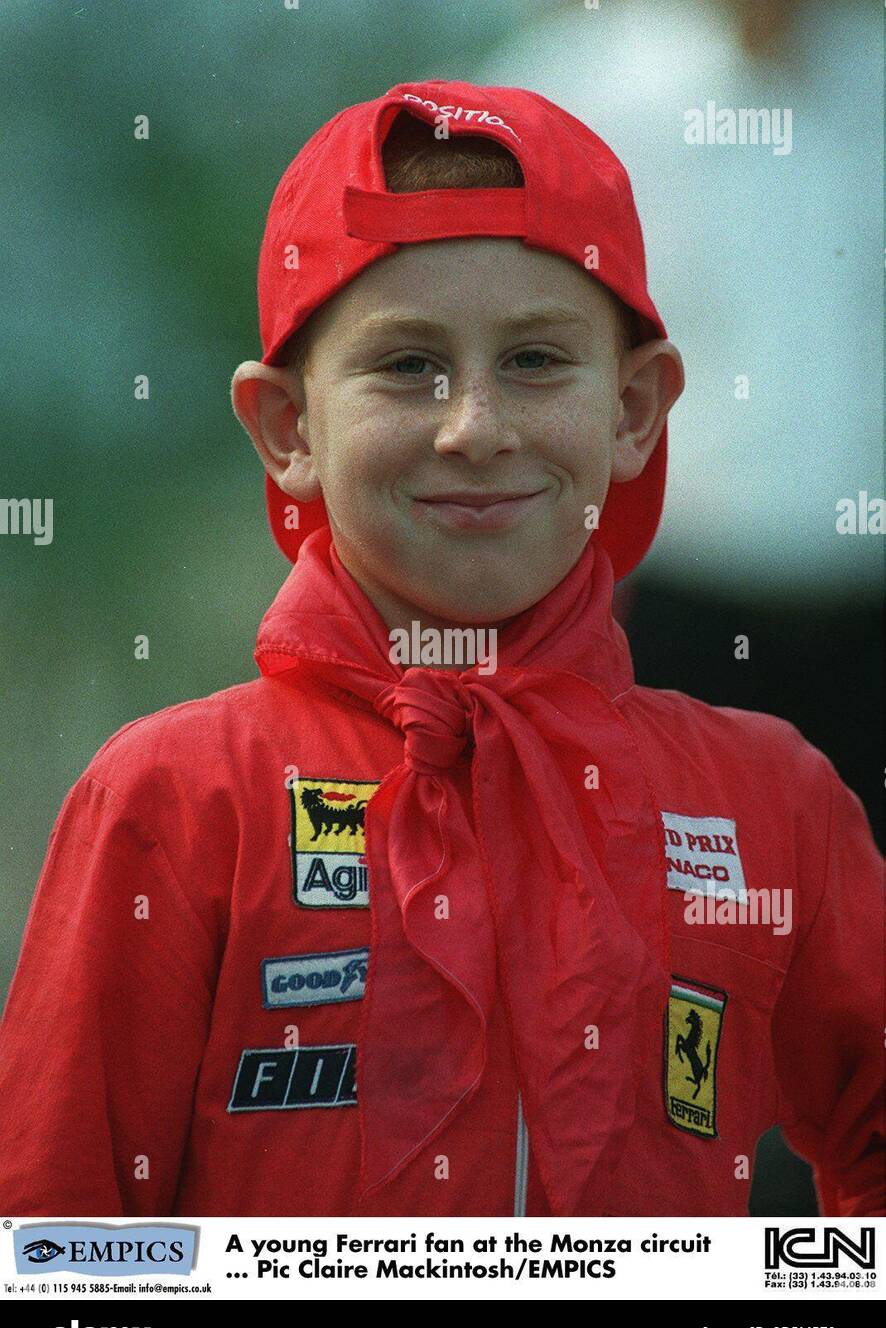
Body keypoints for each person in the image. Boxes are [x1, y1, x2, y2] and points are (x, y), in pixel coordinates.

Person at [0, 81, 881, 1217]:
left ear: (634, 412)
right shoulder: (172, 797)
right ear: (287, 428)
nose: (475, 427)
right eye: (407, 366)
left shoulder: (771, 803)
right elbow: (56, 1237)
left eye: (534, 362)